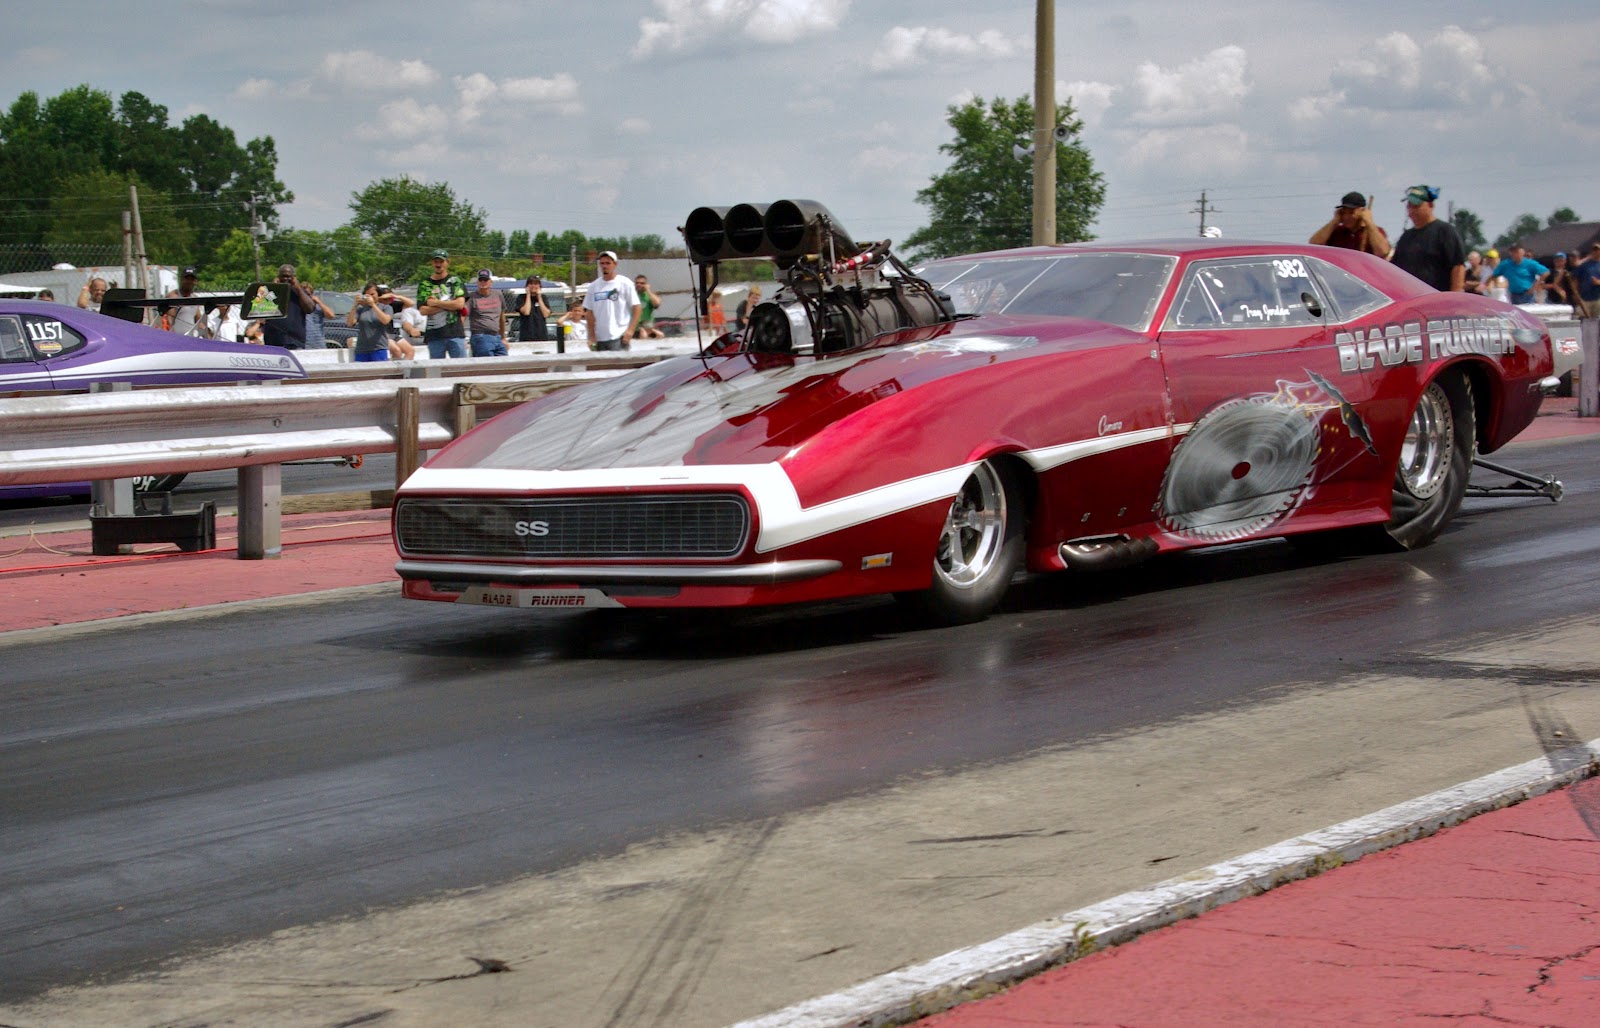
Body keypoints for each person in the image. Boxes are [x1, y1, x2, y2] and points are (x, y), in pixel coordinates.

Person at [1390, 185, 1465, 292]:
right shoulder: (1406, 237)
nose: (1411, 211)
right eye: (1409, 206)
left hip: (1437, 299)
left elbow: (1458, 267)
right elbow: (1395, 268)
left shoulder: (1444, 231)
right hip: (1410, 298)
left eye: (1416, 206)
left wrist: (1455, 297)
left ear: (1430, 205)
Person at [581, 250, 640, 351]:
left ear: (615, 264)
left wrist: (630, 330)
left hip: (619, 336)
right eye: (602, 263)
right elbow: (589, 312)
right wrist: (592, 335)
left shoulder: (624, 283)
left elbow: (637, 307)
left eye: (608, 263)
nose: (605, 266)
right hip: (600, 338)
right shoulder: (594, 286)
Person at [416, 248, 467, 359]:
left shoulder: (455, 281)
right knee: (436, 370)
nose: (438, 264)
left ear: (447, 262)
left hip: (455, 333)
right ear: (432, 263)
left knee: (461, 368)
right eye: (436, 261)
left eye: (441, 261)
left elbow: (459, 305)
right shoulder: (425, 284)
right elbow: (423, 310)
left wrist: (435, 303)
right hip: (434, 336)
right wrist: (448, 305)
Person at [1308, 191, 1391, 257]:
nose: (1346, 217)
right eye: (1343, 213)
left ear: (1362, 211)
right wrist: (1334, 222)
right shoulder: (1337, 232)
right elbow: (1314, 245)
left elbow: (1383, 252)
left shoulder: (1374, 232)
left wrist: (1369, 222)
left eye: (1351, 213)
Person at [257, 263, 316, 349]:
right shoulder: (270, 292)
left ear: (294, 277)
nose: (286, 279)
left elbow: (310, 309)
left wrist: (298, 288)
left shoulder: (300, 292)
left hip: (294, 341)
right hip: (273, 341)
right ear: (278, 277)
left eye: (288, 277)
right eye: (283, 276)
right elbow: (260, 310)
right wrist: (274, 289)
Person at [344, 281, 394, 362]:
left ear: (378, 294)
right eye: (367, 295)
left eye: (372, 294)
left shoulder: (386, 307)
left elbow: (385, 320)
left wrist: (373, 305)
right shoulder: (361, 310)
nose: (370, 297)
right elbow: (350, 323)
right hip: (362, 349)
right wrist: (355, 306)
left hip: (379, 348)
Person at [463, 269, 509, 356]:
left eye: (485, 280)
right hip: (481, 336)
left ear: (491, 281)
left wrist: (503, 338)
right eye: (481, 280)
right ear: (477, 282)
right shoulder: (472, 297)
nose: (483, 282)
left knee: (504, 362)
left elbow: (501, 317)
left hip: (497, 336)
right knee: (487, 365)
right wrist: (462, 338)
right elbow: (463, 315)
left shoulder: (498, 294)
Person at [169, 267, 211, 336]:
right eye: (187, 279)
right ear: (181, 279)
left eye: (192, 279)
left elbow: (198, 321)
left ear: (195, 282)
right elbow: (169, 320)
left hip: (191, 338)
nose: (189, 281)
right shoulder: (173, 297)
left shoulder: (194, 298)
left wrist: (208, 335)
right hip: (176, 338)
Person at [518, 276, 551, 345]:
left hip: (541, 335)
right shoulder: (521, 297)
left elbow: (546, 314)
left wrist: (539, 297)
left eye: (535, 284)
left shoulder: (543, 298)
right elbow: (526, 312)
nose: (533, 286)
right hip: (526, 335)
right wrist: (528, 295)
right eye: (531, 284)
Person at [303, 282, 337, 349]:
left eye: (308, 294)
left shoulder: (318, 307)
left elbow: (331, 315)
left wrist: (319, 302)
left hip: (318, 343)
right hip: (304, 344)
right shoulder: (298, 307)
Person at [1575, 243, 1600, 319]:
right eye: (1594, 250)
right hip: (1584, 298)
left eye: (1597, 250)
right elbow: (1576, 279)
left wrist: (1598, 282)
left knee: (1597, 320)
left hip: (1598, 298)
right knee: (1584, 320)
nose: (1595, 252)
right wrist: (1576, 294)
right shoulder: (1584, 264)